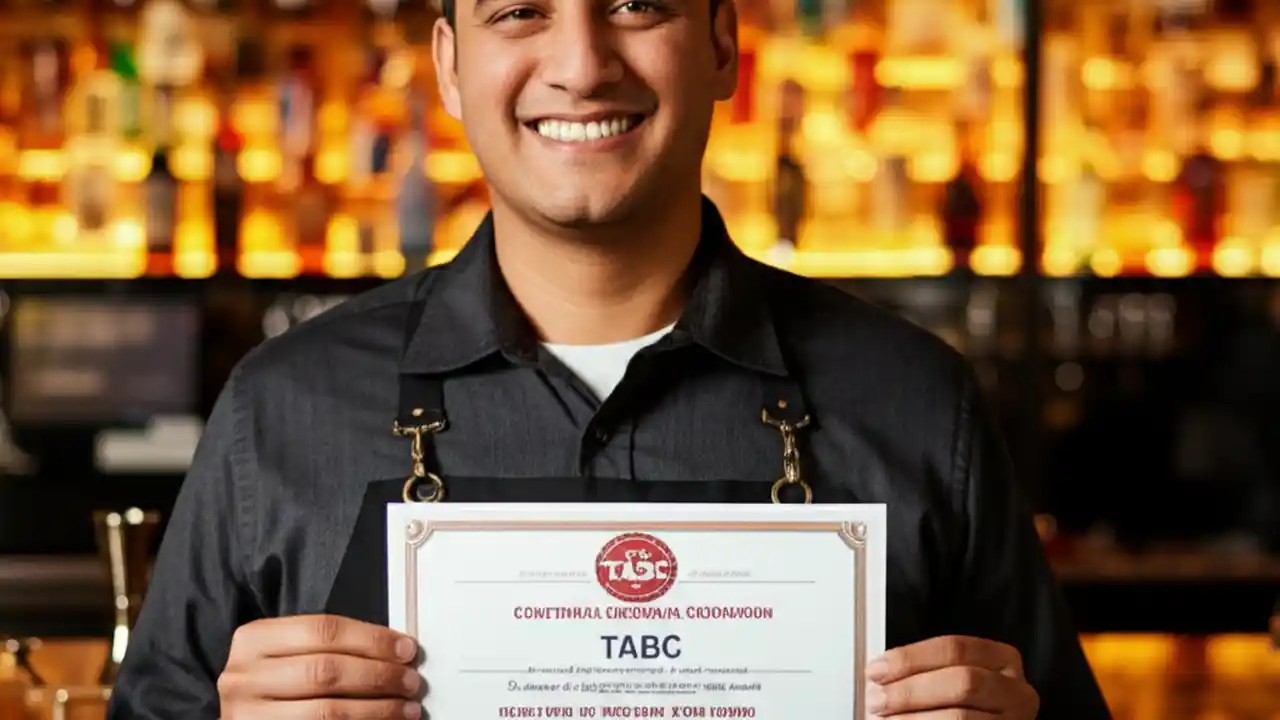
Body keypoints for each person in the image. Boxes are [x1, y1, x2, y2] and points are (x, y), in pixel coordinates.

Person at [107, 0, 1112, 716]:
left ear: (722, 46)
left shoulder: (912, 396)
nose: (582, 65)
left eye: (635, 6)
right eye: (519, 14)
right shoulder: (280, 406)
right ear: (450, 64)